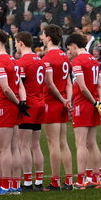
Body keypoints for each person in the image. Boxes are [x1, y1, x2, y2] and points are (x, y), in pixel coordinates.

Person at [0, 29, 27, 195]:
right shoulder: (14, 61)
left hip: (4, 105)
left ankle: (5, 185)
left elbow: (6, 88)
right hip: (13, 106)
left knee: (4, 148)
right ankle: (13, 184)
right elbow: (20, 86)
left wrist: (17, 102)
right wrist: (22, 103)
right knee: (13, 147)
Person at [67, 31, 101, 189]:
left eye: (69, 48)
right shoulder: (94, 60)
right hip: (94, 104)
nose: (69, 52)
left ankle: (81, 180)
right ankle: (97, 177)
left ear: (74, 46)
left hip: (83, 104)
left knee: (81, 143)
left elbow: (82, 87)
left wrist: (95, 102)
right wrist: (100, 102)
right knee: (92, 143)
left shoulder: (77, 61)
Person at [40, 24, 74, 191]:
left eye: (43, 34)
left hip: (52, 103)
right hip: (62, 103)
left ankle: (55, 181)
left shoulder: (48, 58)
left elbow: (50, 84)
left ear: (48, 38)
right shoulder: (64, 56)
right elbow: (68, 82)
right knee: (62, 142)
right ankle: (69, 179)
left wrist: (62, 99)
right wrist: (67, 100)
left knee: (52, 143)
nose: (41, 37)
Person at [14, 31, 46, 192]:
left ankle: (27, 182)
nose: (15, 46)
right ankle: (38, 180)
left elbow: (20, 84)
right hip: (40, 102)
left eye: (15, 43)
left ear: (20, 43)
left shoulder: (22, 62)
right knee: (35, 144)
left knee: (23, 145)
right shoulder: (39, 60)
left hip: (29, 104)